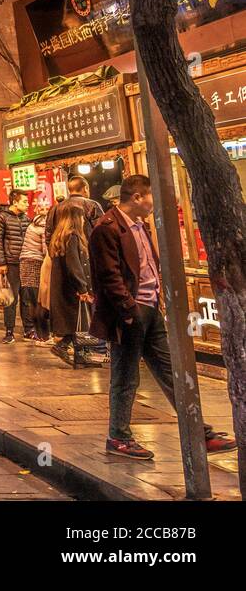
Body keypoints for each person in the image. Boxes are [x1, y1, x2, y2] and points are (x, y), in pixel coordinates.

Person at [89, 175, 236, 460]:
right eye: (151, 197)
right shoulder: (106, 228)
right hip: (129, 313)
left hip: (150, 308)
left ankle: (198, 432)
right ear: (137, 197)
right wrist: (129, 309)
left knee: (171, 371)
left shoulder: (139, 227)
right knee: (125, 376)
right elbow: (109, 276)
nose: (154, 203)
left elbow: (146, 267)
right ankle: (118, 436)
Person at [47, 201, 95, 367]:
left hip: (63, 289)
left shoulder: (59, 236)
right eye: (81, 217)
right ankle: (62, 347)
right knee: (78, 322)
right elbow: (74, 265)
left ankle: (80, 356)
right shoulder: (73, 236)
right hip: (72, 289)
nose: (83, 221)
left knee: (76, 323)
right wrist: (82, 288)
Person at [0, 190, 31, 344]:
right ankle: (9, 331)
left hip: (25, 262)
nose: (27, 205)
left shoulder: (26, 219)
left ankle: (29, 329)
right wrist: (1, 263)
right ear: (15, 202)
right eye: (24, 202)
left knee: (27, 298)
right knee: (10, 298)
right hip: (11, 263)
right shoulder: (1, 218)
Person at [18, 210, 49, 343]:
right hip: (35, 263)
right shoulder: (43, 227)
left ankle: (34, 331)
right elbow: (45, 250)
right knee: (39, 301)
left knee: (31, 300)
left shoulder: (33, 224)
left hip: (25, 262)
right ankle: (43, 335)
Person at [46, 175, 105, 240]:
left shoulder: (55, 208)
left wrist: (53, 249)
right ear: (85, 188)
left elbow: (48, 233)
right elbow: (102, 231)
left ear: (69, 190)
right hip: (87, 248)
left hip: (61, 249)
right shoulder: (92, 205)